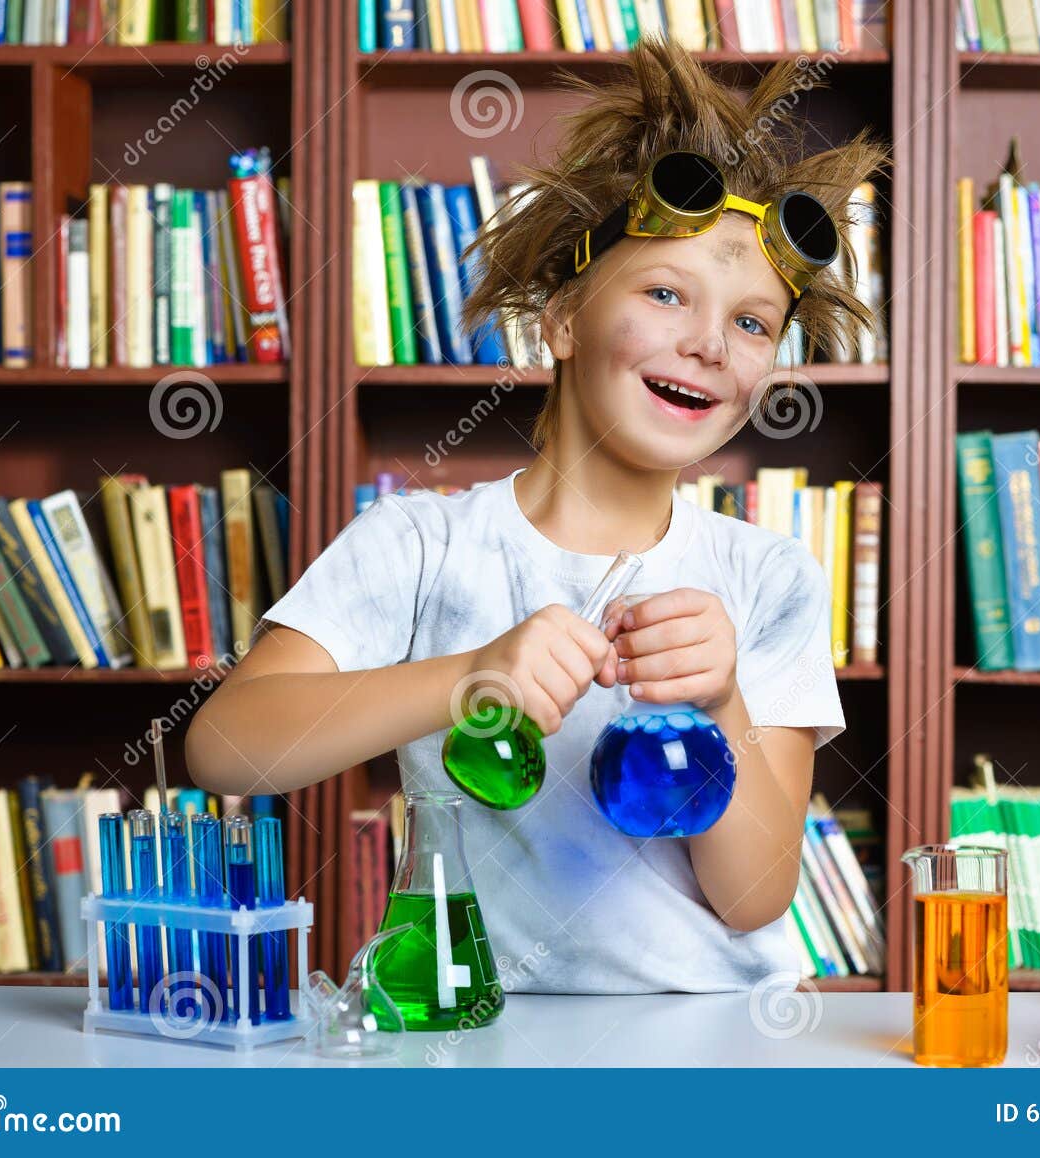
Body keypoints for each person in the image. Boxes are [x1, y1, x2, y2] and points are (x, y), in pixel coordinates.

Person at [186, 37, 889, 993]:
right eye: (666, 293)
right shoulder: (419, 545)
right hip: (479, 1027)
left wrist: (721, 705)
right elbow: (225, 749)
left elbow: (757, 898)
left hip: (717, 1039)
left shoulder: (769, 580)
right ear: (561, 320)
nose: (709, 344)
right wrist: (469, 675)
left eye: (752, 322)